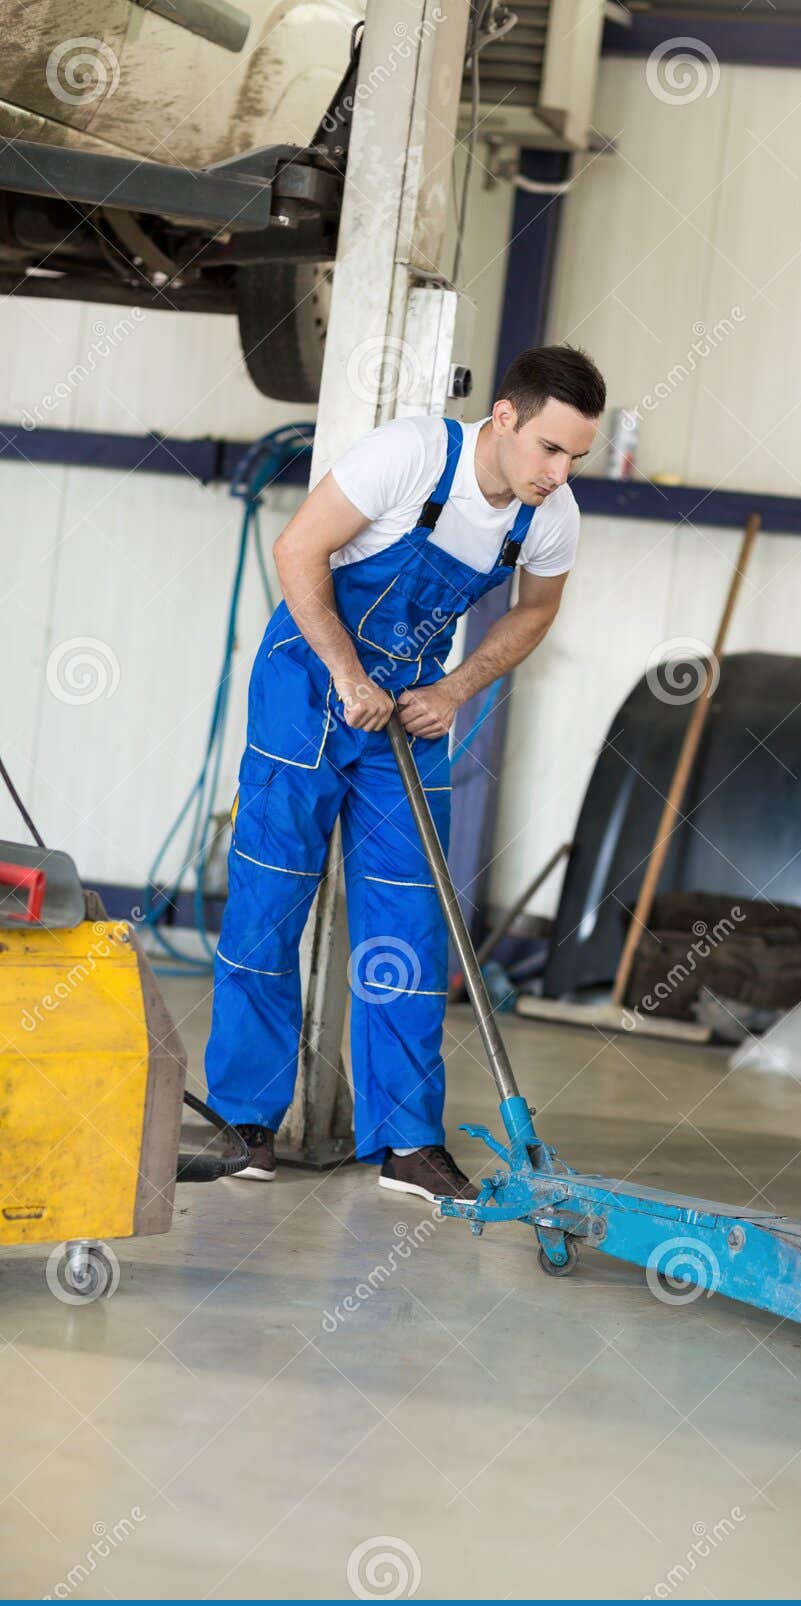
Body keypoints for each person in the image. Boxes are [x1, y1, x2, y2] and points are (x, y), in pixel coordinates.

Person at [204, 343, 605, 1197]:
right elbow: (297, 552)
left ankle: (407, 1142)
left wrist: (456, 687)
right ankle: (244, 1123)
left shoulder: (549, 515)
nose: (560, 471)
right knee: (270, 903)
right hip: (309, 692)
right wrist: (347, 676)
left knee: (407, 926)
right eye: (550, 448)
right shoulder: (413, 454)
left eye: (576, 456)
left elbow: (536, 611)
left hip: (410, 715)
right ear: (504, 418)